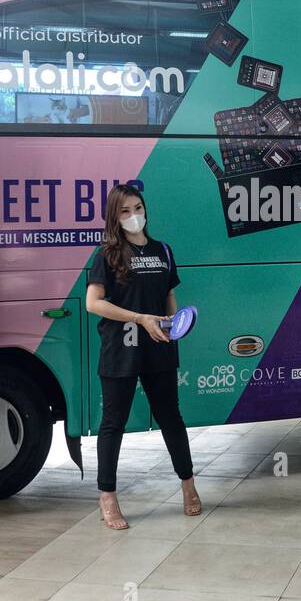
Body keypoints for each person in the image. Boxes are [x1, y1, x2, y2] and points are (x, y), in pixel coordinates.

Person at [85, 184, 200, 530]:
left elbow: (168, 296)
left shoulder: (163, 250)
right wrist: (138, 317)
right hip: (120, 348)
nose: (133, 216)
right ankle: (107, 496)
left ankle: (189, 485)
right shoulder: (107, 254)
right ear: (115, 218)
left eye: (137, 207)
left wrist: (173, 324)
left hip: (159, 347)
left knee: (171, 417)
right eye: (124, 211)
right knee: (113, 423)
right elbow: (94, 303)